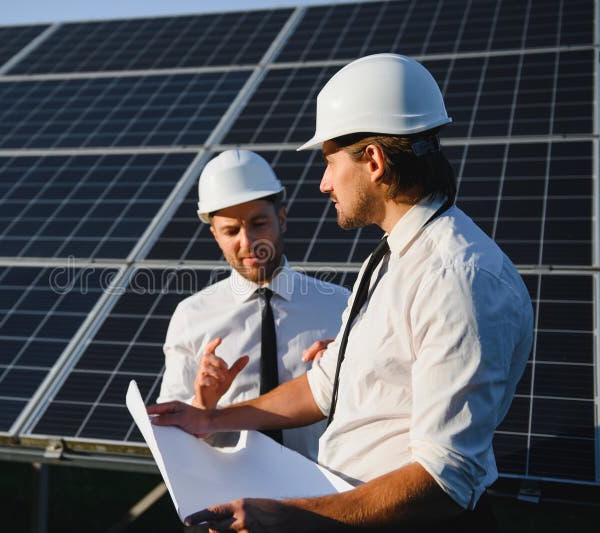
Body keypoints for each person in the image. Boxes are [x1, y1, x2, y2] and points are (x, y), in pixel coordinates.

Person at [148, 53, 533, 532]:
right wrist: (212, 420)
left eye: (329, 160)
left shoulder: (457, 278)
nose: (323, 181)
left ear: (372, 160)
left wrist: (293, 516)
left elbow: (447, 476)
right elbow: (323, 386)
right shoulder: (393, 263)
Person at [157, 149, 350, 460]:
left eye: (258, 223)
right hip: (227, 494)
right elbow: (168, 433)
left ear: (282, 219)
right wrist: (202, 405)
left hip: (321, 492)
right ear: (215, 235)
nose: (247, 242)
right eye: (231, 231)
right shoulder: (191, 317)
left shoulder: (341, 306)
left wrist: (344, 382)